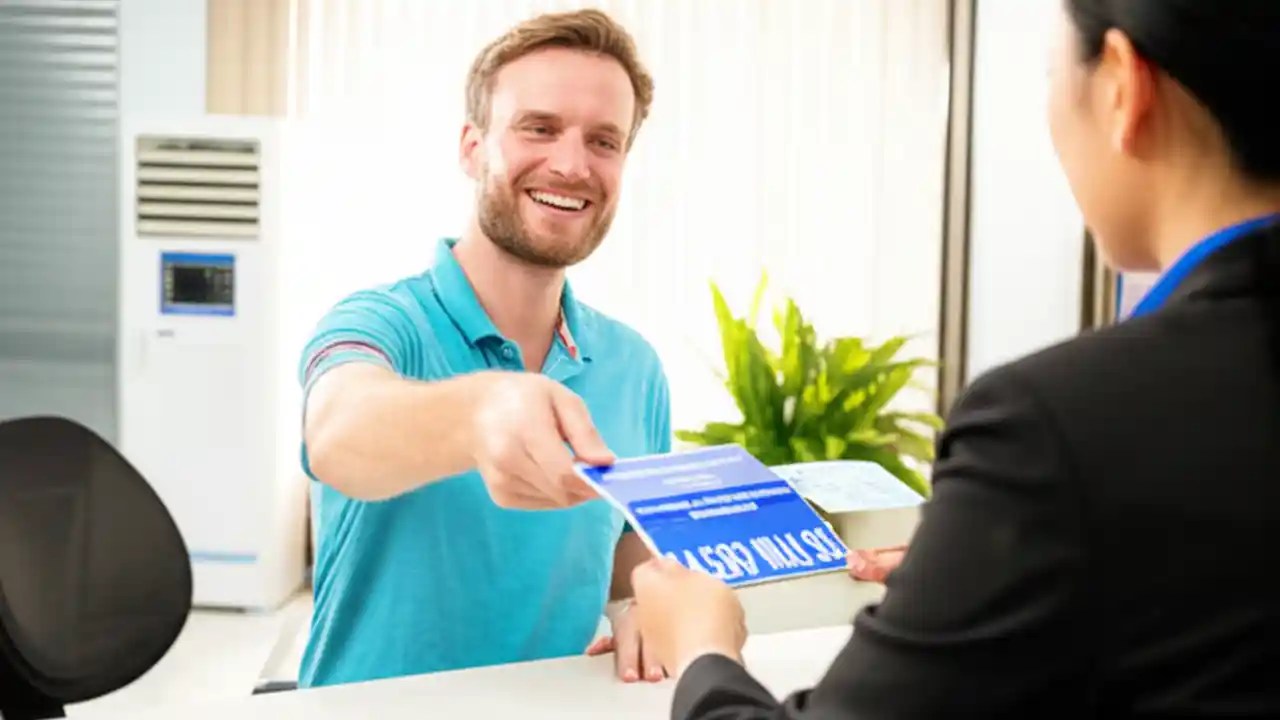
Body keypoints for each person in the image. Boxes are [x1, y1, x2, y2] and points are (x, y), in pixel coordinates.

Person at [631, 1, 1280, 716]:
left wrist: (702, 651)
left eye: (1049, 74)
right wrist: (986, 576)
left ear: (1122, 87)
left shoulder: (1054, 429)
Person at [296, 9, 670, 688]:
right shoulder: (382, 323)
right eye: (539, 128)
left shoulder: (635, 366)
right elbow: (336, 435)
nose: (571, 164)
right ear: (472, 148)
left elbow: (627, 543)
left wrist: (635, 602)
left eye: (604, 141)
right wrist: (482, 413)